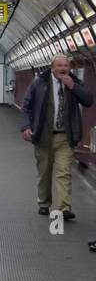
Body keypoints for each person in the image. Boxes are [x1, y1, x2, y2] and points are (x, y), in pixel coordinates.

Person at [20, 53, 93, 219]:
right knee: (44, 172)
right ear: (52, 68)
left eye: (66, 66)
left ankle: (64, 208)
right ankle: (44, 203)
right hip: (43, 135)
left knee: (64, 172)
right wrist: (26, 126)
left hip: (65, 137)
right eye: (59, 66)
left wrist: (73, 86)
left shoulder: (74, 82)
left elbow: (88, 100)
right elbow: (26, 107)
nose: (63, 69)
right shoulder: (39, 83)